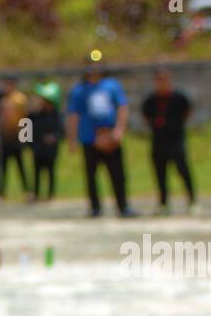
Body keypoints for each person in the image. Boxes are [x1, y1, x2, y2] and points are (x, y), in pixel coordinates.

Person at [66, 58, 137, 218]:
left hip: (110, 136)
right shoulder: (79, 90)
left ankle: (123, 205)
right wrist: (72, 138)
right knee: (91, 175)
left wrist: (119, 130)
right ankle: (95, 207)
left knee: (118, 174)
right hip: (90, 138)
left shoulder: (111, 85)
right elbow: (73, 115)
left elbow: (122, 107)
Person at [141, 68, 196, 214]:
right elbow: (146, 117)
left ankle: (192, 201)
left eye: (164, 79)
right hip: (158, 140)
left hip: (176, 139)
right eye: (158, 79)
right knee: (160, 172)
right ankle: (163, 203)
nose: (161, 82)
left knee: (183, 170)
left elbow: (188, 112)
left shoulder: (179, 97)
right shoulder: (151, 100)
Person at [0, 76, 32, 202]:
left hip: (17, 137)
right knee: (3, 167)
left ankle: (27, 192)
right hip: (5, 137)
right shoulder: (3, 99)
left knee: (20, 166)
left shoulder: (19, 99)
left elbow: (25, 118)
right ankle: (1, 194)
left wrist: (26, 137)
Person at [29, 82, 63, 202]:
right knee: (36, 173)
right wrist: (27, 143)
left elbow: (61, 131)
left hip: (50, 150)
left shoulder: (56, 115)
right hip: (38, 148)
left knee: (50, 172)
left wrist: (54, 137)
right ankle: (35, 194)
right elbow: (25, 125)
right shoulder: (35, 115)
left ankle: (50, 194)